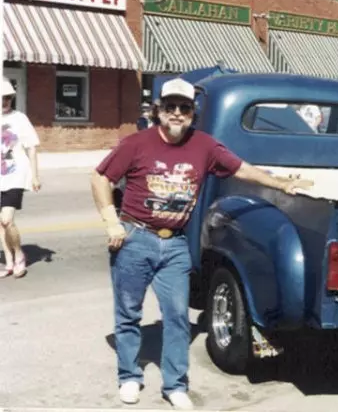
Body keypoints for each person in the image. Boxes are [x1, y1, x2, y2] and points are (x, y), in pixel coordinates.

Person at [90, 78, 314, 408]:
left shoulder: (205, 146)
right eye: (170, 107)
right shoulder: (136, 144)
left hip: (176, 245)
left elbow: (242, 169)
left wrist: (280, 184)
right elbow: (100, 177)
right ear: (158, 111)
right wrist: (111, 220)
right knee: (128, 315)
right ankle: (129, 377)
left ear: (192, 112)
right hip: (136, 238)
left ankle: (175, 385)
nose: (177, 113)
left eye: (184, 107)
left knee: (178, 316)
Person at [0, 78, 41, 279]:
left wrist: (35, 175)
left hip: (15, 174)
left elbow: (31, 147)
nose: (5, 101)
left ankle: (19, 254)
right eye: (1, 98)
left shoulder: (19, 118)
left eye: (7, 97)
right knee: (0, 224)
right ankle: (8, 261)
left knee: (7, 220)